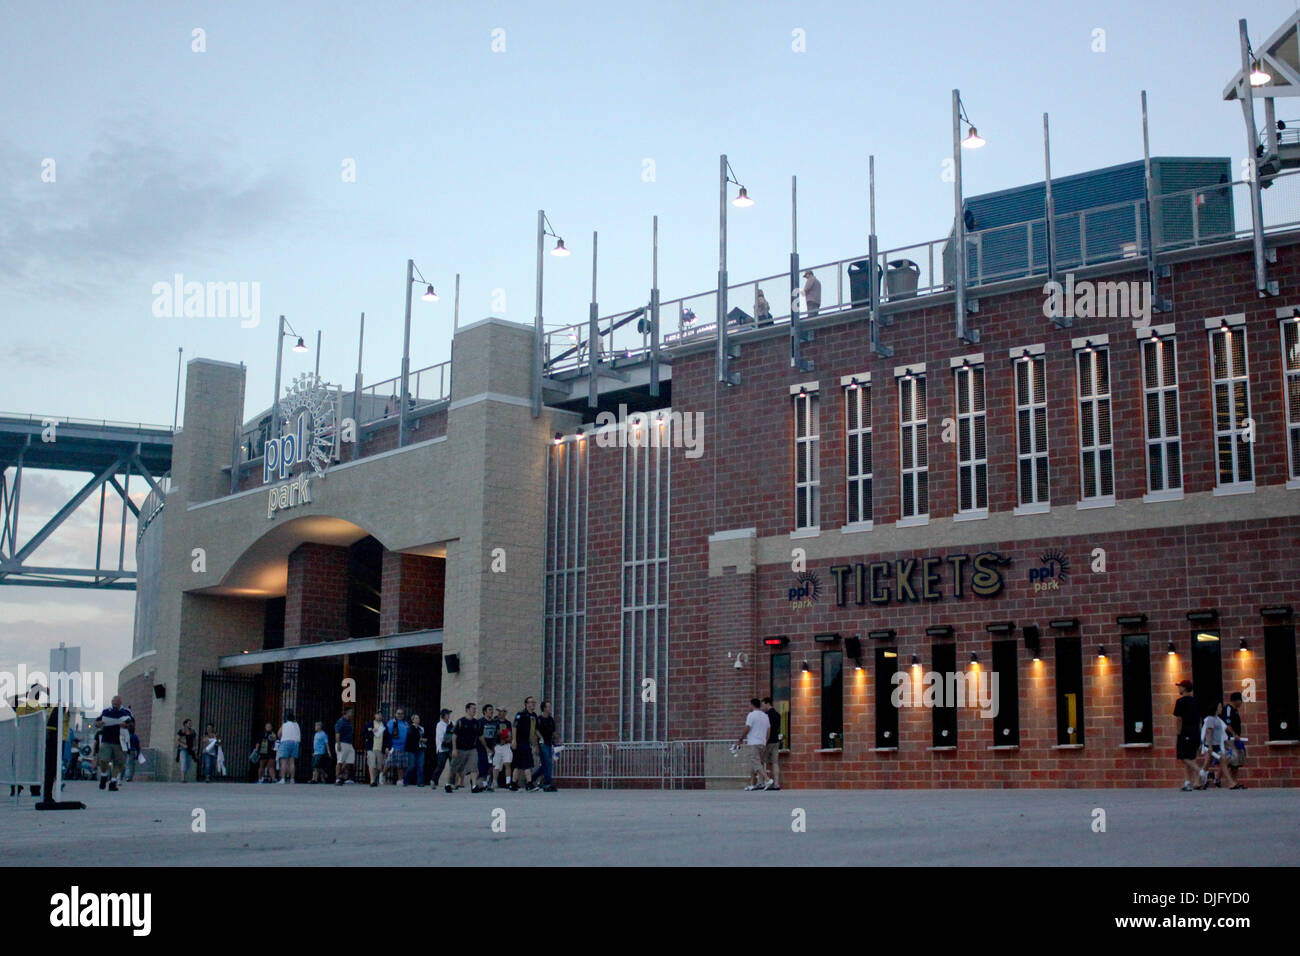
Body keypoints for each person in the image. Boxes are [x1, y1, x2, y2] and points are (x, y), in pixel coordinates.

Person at [1197, 701, 1239, 790]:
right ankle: (1197, 782)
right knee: (1207, 764)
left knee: (1218, 763)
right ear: (1215, 708)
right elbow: (1209, 733)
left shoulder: (1217, 719)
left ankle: (1230, 783)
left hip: (1217, 746)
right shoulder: (1210, 719)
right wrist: (1210, 747)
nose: (1221, 709)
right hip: (1211, 746)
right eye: (1219, 707)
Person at [95, 695, 132, 791]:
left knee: (118, 762)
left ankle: (113, 781)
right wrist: (99, 724)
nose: (114, 705)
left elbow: (132, 724)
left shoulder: (126, 712)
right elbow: (97, 722)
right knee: (104, 759)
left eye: (116, 703)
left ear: (120, 702)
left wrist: (126, 725)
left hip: (120, 741)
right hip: (107, 739)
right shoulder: (106, 711)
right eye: (113, 703)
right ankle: (104, 775)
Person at [736, 698, 772, 791]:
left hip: (753, 742)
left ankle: (767, 779)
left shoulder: (751, 715)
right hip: (762, 742)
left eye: (749, 705)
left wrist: (741, 738)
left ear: (752, 705)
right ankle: (752, 783)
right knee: (755, 763)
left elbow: (748, 727)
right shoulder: (765, 716)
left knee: (755, 762)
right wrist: (765, 740)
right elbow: (768, 729)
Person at [1174, 680, 1200, 792]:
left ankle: (1200, 771)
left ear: (1184, 688)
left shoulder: (1180, 702)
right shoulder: (1196, 701)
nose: (1178, 689)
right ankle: (1187, 782)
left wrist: (1178, 732)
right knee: (1191, 757)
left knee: (1183, 756)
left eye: (1180, 687)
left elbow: (1179, 718)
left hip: (1185, 733)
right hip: (1195, 732)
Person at [451, 703, 483, 793]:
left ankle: (474, 786)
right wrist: (454, 749)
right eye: (473, 709)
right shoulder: (461, 721)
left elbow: (480, 736)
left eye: (475, 709)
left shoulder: (476, 723)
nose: (474, 710)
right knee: (454, 767)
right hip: (460, 748)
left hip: (472, 748)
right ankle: (449, 784)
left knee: (474, 767)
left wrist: (487, 747)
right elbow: (454, 735)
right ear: (467, 710)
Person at [512, 697, 541, 792]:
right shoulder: (521, 714)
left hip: (528, 742)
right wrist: (514, 740)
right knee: (527, 763)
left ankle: (513, 783)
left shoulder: (534, 716)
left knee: (518, 764)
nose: (533, 704)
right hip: (520, 742)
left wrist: (537, 744)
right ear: (526, 704)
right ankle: (529, 783)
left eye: (534, 702)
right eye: (531, 702)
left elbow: (535, 730)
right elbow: (514, 727)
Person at [1223, 692, 1247, 787]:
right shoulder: (1228, 709)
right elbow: (1227, 724)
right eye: (1240, 700)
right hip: (1230, 738)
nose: (1241, 703)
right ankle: (1229, 781)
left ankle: (1235, 781)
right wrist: (1234, 734)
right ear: (1236, 700)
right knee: (1233, 760)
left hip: (1236, 739)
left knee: (1237, 761)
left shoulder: (1235, 710)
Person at [761, 697, 782, 791]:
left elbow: (766, 728)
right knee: (775, 762)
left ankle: (763, 782)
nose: (762, 707)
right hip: (776, 740)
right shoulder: (777, 714)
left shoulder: (766, 715)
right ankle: (776, 784)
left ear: (767, 703)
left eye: (763, 705)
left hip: (768, 741)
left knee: (762, 761)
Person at [537, 701, 559, 791]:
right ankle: (547, 782)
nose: (550, 708)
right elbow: (536, 731)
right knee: (548, 762)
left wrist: (558, 739)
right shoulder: (539, 719)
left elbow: (553, 731)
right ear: (544, 708)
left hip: (549, 743)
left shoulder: (550, 719)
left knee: (545, 765)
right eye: (548, 707)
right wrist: (539, 740)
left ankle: (531, 779)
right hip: (542, 744)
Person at [363, 712, 390, 787]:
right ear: (374, 715)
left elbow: (387, 738)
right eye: (378, 714)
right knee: (372, 763)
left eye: (381, 715)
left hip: (380, 748)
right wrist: (371, 732)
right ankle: (372, 780)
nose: (379, 716)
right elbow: (364, 735)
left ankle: (374, 779)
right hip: (371, 748)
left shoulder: (384, 725)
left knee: (379, 766)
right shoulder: (369, 724)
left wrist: (387, 747)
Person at [385, 708, 410, 786]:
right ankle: (382, 776)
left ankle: (400, 780)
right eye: (398, 713)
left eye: (401, 713)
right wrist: (387, 746)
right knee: (388, 763)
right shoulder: (391, 722)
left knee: (401, 765)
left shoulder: (405, 723)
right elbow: (387, 735)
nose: (400, 715)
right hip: (393, 746)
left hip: (403, 747)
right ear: (395, 714)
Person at [477, 705, 499, 792]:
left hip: (491, 747)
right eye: (489, 710)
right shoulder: (481, 722)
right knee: (483, 766)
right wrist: (486, 748)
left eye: (492, 710)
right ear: (484, 712)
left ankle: (487, 784)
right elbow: (480, 736)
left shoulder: (494, 722)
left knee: (490, 766)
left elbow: (495, 735)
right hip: (482, 748)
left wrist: (493, 747)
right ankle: (479, 783)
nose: (491, 712)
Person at [432, 709, 454, 792]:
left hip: (451, 747)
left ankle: (451, 783)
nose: (448, 715)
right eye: (447, 714)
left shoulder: (452, 723)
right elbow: (441, 737)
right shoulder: (440, 725)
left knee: (453, 765)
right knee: (441, 765)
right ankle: (434, 780)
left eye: (449, 714)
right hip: (442, 748)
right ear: (443, 715)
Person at [277, 710, 301, 784]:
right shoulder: (296, 725)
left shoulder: (285, 725)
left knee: (284, 761)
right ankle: (292, 779)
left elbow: (279, 734)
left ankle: (283, 779)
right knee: (292, 762)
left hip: (286, 741)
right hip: (295, 743)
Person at [334, 708, 356, 785]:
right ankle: (337, 778)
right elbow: (337, 733)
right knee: (340, 761)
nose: (352, 714)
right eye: (350, 712)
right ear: (346, 713)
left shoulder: (349, 722)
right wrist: (338, 743)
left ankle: (344, 776)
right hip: (342, 743)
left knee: (349, 761)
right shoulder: (340, 722)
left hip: (349, 744)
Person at [493, 712, 514, 789]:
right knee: (496, 765)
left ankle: (508, 782)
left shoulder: (507, 723)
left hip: (506, 745)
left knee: (507, 763)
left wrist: (507, 739)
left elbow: (509, 733)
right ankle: (494, 781)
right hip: (497, 746)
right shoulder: (495, 722)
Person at [405, 713, 424, 786]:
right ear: (412, 720)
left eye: (418, 718)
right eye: (416, 718)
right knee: (412, 765)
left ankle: (420, 782)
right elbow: (411, 737)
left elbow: (424, 736)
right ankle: (406, 780)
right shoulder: (410, 728)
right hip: (412, 749)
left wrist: (424, 739)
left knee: (420, 765)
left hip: (420, 748)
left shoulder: (421, 728)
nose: (418, 719)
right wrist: (420, 739)